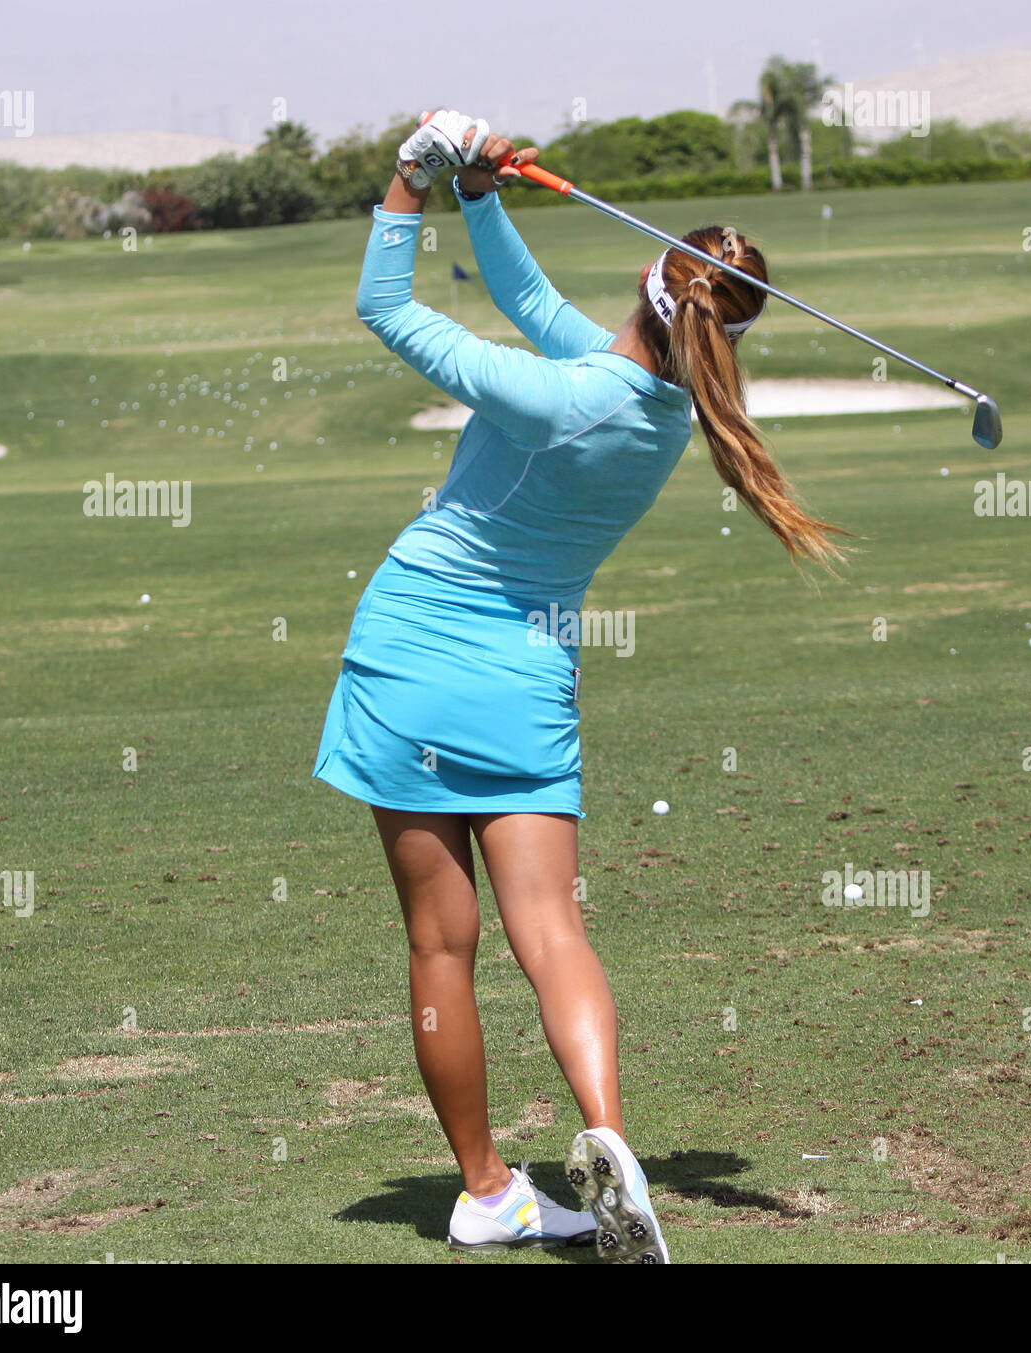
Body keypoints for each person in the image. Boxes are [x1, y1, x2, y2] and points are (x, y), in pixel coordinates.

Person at [313, 110, 849, 1264]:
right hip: (524, 680)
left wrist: (409, 180)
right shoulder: (668, 413)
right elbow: (536, 309)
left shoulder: (562, 396)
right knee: (549, 929)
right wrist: (483, 193)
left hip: (410, 654)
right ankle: (608, 1138)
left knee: (439, 947)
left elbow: (386, 310)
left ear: (653, 279)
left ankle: (483, 1190)